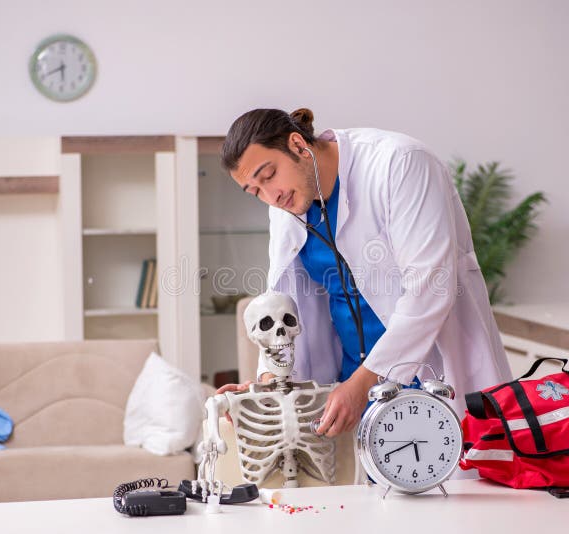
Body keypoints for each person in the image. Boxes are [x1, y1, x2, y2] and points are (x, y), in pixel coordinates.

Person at [219, 107, 512, 438]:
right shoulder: (286, 204)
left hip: (428, 374)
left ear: (298, 145)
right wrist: (268, 383)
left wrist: (364, 382)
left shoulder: (399, 163)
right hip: (350, 387)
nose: (270, 196)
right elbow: (284, 303)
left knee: (451, 480)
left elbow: (430, 286)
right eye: (255, 191)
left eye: (269, 174)